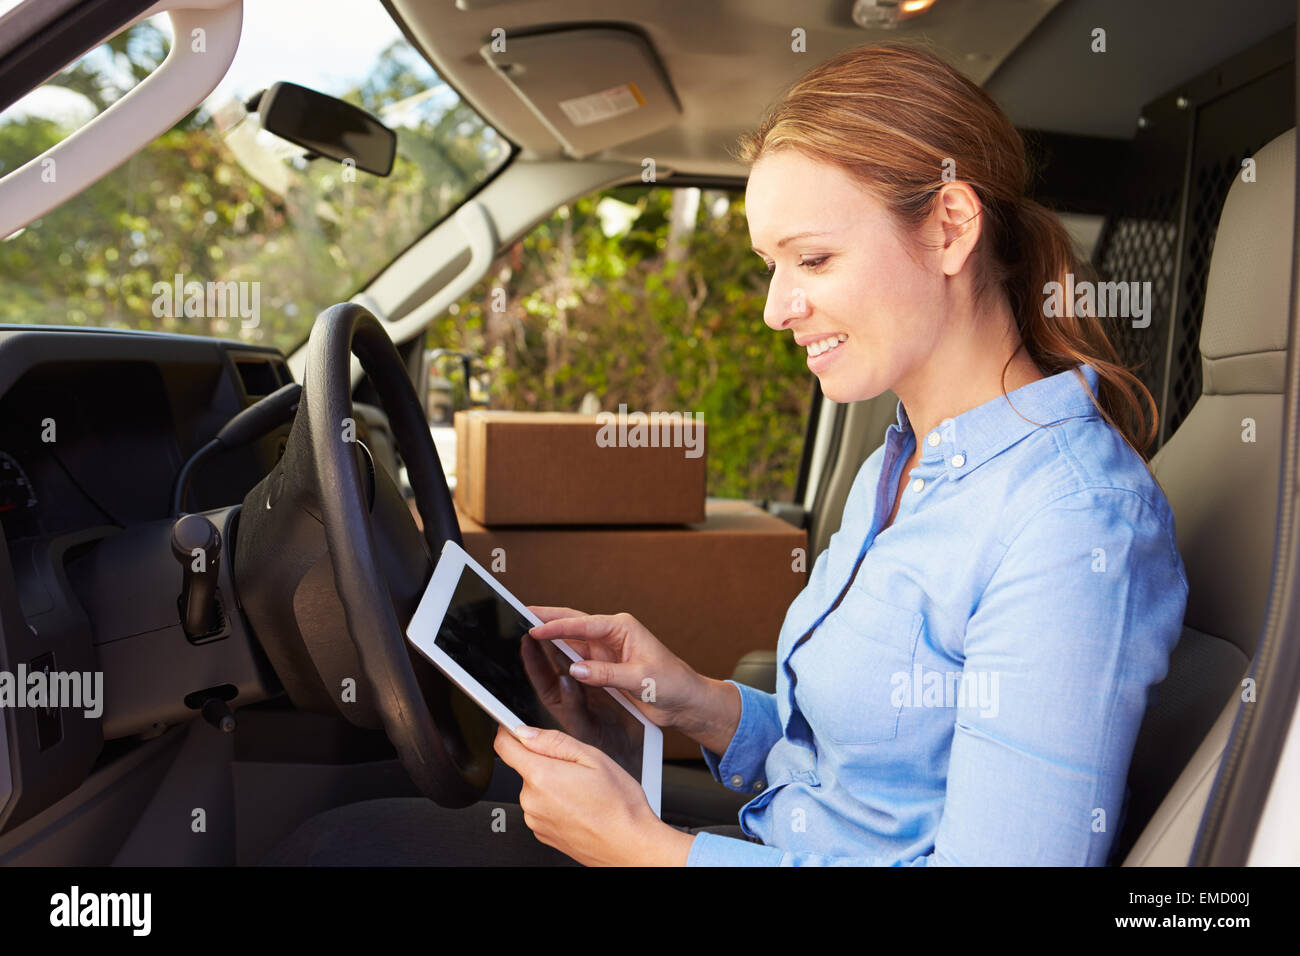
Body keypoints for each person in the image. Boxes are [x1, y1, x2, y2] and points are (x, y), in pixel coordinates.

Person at [265, 42, 1188, 866]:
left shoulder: (1071, 523)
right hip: (763, 842)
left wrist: (646, 852)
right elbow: (849, 772)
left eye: (813, 261)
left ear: (949, 226)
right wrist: (691, 700)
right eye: (770, 267)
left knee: (336, 847)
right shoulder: (900, 459)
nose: (776, 309)